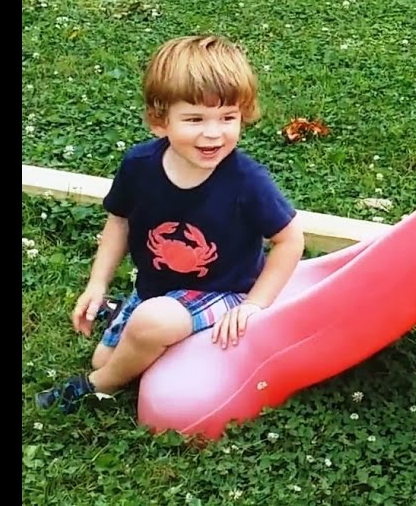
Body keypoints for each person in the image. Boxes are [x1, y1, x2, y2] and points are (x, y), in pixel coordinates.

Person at [35, 35, 306, 414]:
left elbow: (291, 239)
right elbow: (119, 221)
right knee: (107, 353)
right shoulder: (139, 165)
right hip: (157, 290)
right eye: (194, 119)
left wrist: (255, 305)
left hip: (225, 293)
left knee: (142, 333)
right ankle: (138, 336)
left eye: (227, 118)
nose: (213, 133)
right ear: (159, 122)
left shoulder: (247, 180)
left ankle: (94, 387)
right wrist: (96, 283)